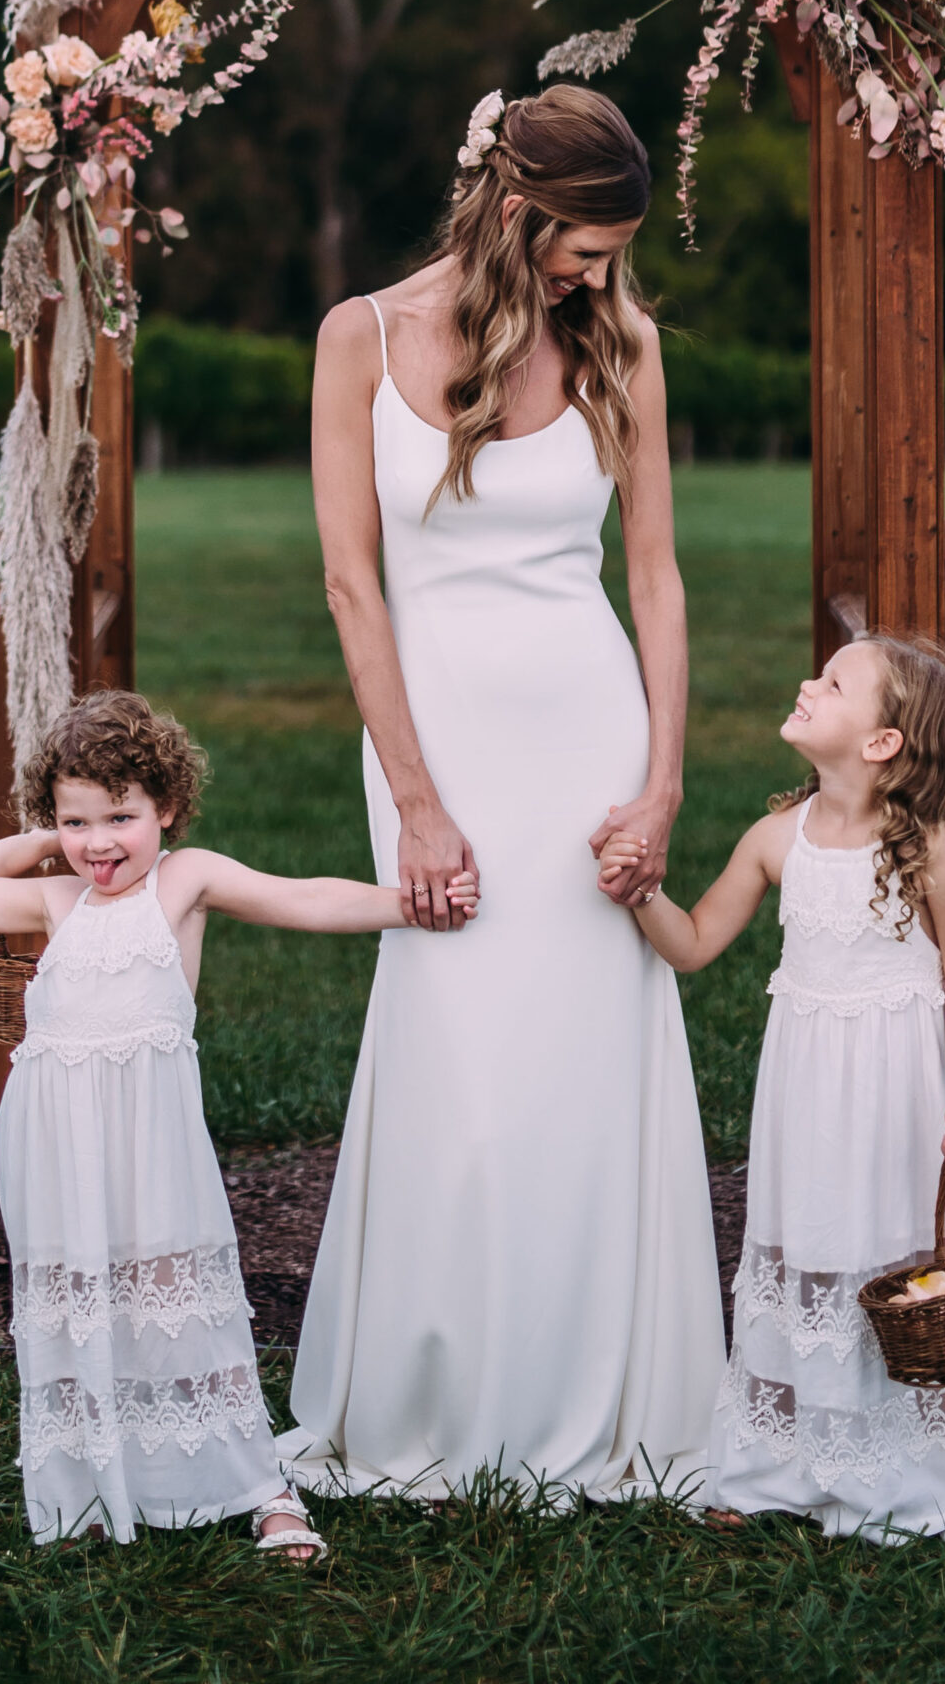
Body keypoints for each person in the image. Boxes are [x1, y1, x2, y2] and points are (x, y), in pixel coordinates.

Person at [283, 84, 726, 1504]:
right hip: (438, 746)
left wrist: (662, 781)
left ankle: (600, 1394)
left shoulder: (624, 346)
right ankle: (445, 1390)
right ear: (511, 206)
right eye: (581, 249)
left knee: (589, 1067)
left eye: (608, 257)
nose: (596, 279)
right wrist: (415, 800)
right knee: (462, 1059)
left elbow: (653, 578)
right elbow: (353, 584)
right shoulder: (362, 336)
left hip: (588, 732)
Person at [0, 687, 475, 1554]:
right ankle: (94, 1481)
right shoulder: (55, 902)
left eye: (120, 816)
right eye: (78, 821)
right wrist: (46, 838)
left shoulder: (183, 882)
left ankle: (262, 1488)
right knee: (85, 1306)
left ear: (167, 809)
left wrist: (408, 904)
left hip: (151, 1140)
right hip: (54, 1142)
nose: (99, 842)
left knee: (180, 1302)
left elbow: (307, 899)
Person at [599, 631, 945, 1547]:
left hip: (896, 1096)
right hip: (803, 1096)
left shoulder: (932, 851)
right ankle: (774, 1463)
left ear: (881, 744)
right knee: (807, 1244)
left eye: (833, 683)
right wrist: (641, 895)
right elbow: (697, 942)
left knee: (901, 1259)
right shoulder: (773, 840)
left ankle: (943, 1480)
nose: (807, 682)